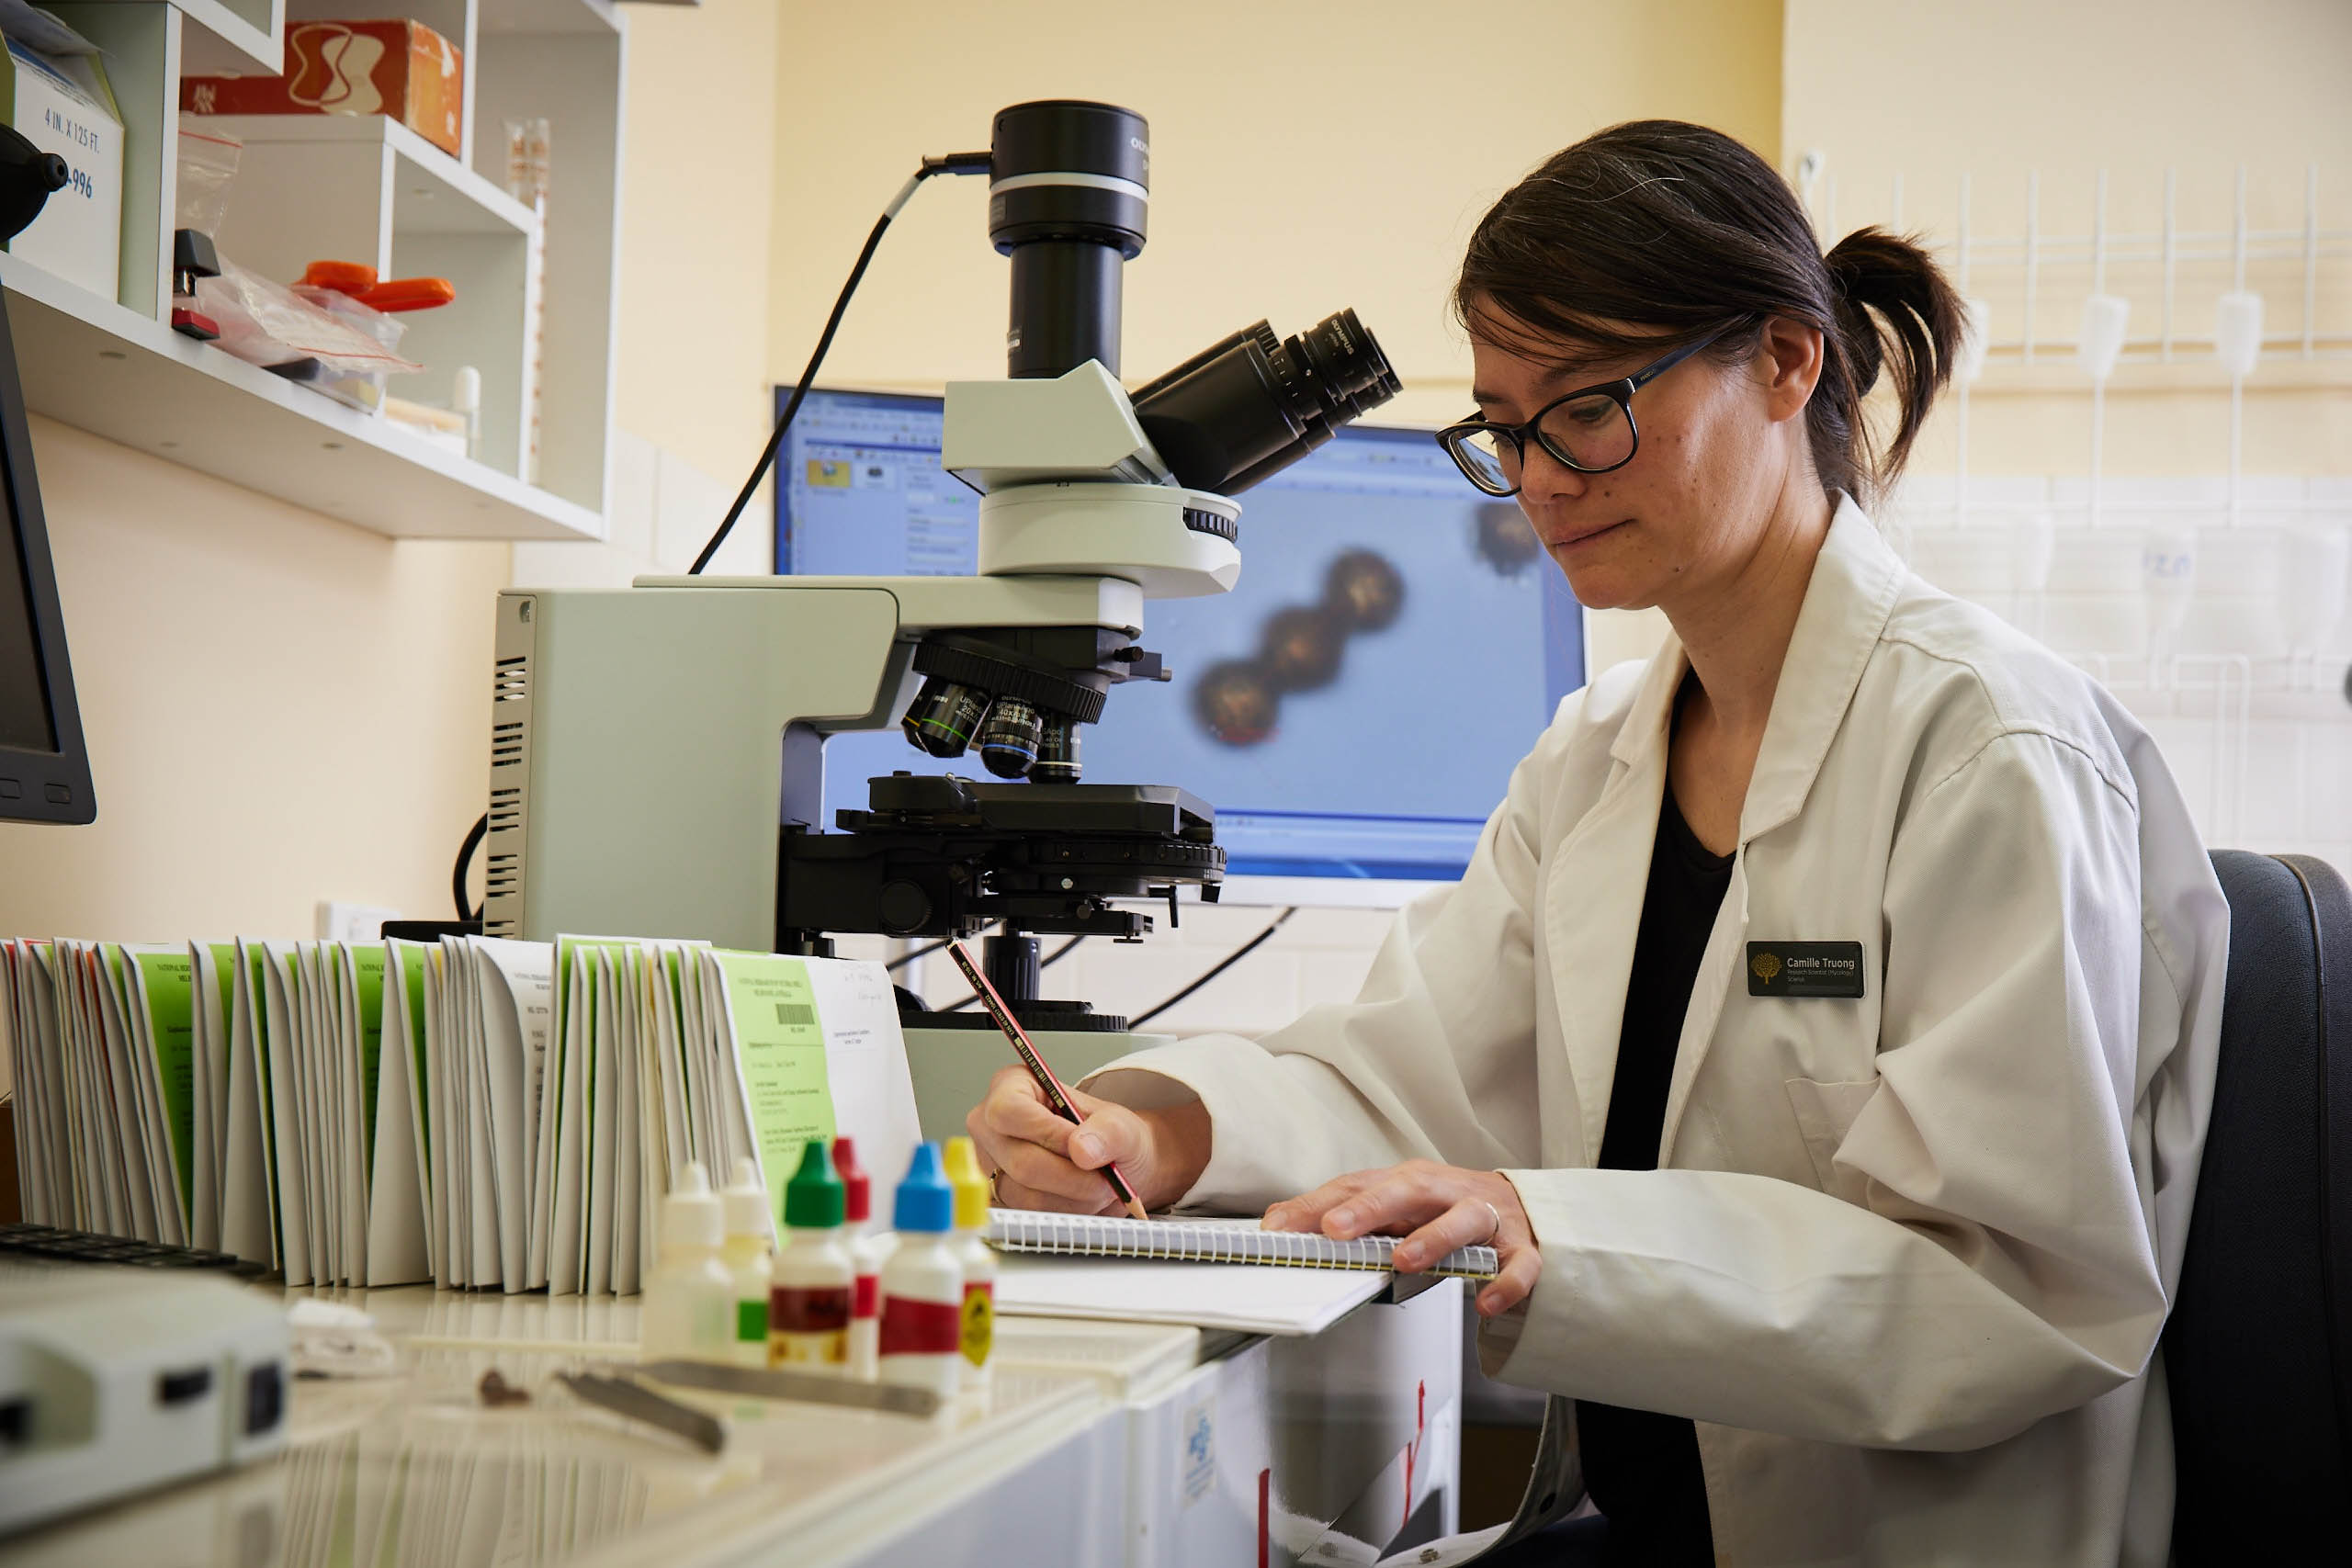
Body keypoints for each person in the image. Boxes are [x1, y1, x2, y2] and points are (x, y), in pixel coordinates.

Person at [966, 119, 2226, 1566]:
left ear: (1784, 360)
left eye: (1591, 406)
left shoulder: (1989, 753)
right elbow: (1408, 1071)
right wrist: (1156, 1130)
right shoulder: (1597, 760)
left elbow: (2011, 1290)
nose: (1545, 477)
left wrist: (1542, 1227)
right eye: (1505, 427)